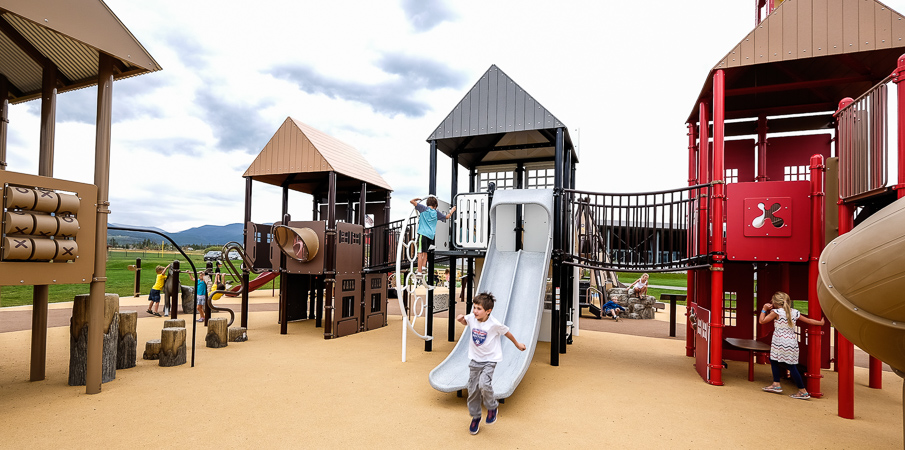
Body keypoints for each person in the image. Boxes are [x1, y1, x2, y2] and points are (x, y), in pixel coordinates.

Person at [456, 292, 527, 435]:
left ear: (488, 311)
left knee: (484, 384)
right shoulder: (472, 317)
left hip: (490, 360)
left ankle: (492, 407)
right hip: (475, 360)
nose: (475, 311)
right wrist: (461, 320)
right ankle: (476, 416)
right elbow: (466, 322)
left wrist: (517, 344)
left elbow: (507, 333)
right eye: (474, 307)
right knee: (473, 389)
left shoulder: (494, 324)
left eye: (478, 308)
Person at [759, 291, 825, 400]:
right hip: (791, 342)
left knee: (775, 360)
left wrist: (764, 309)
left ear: (775, 302)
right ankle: (777, 384)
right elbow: (808, 320)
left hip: (779, 341)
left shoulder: (776, 312)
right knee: (789, 365)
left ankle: (802, 390)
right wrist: (820, 323)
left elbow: (762, 321)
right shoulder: (794, 312)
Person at [410, 196, 456, 275]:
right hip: (430, 236)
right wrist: (452, 211)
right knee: (425, 252)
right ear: (435, 205)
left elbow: (411, 201)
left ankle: (419, 272)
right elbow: (447, 217)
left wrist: (416, 199)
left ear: (427, 203)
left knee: (420, 253)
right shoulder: (436, 212)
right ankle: (424, 267)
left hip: (423, 234)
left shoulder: (423, 208)